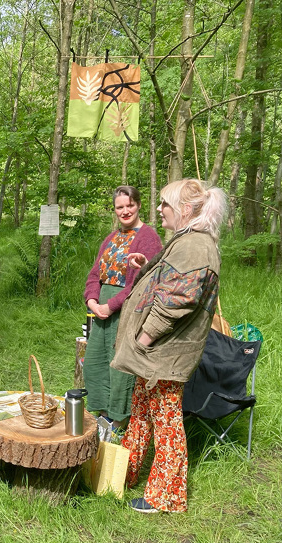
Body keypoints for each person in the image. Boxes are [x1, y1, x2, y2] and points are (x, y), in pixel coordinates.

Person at [112, 178, 227, 514]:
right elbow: (174, 281)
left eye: (165, 204)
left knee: (165, 421)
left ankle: (166, 496)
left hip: (163, 351)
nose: (159, 210)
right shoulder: (187, 240)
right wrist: (147, 268)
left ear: (186, 209)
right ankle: (125, 473)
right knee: (143, 412)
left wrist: (144, 338)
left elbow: (178, 301)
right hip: (155, 353)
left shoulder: (196, 245)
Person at [83, 186, 162, 427]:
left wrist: (112, 305)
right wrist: (92, 301)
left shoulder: (148, 237)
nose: (125, 211)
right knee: (95, 361)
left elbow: (144, 281)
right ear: (115, 210)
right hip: (101, 311)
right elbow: (95, 273)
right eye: (120, 207)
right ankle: (102, 413)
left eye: (130, 205)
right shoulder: (111, 238)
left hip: (126, 309)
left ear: (138, 205)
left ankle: (119, 420)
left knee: (119, 363)